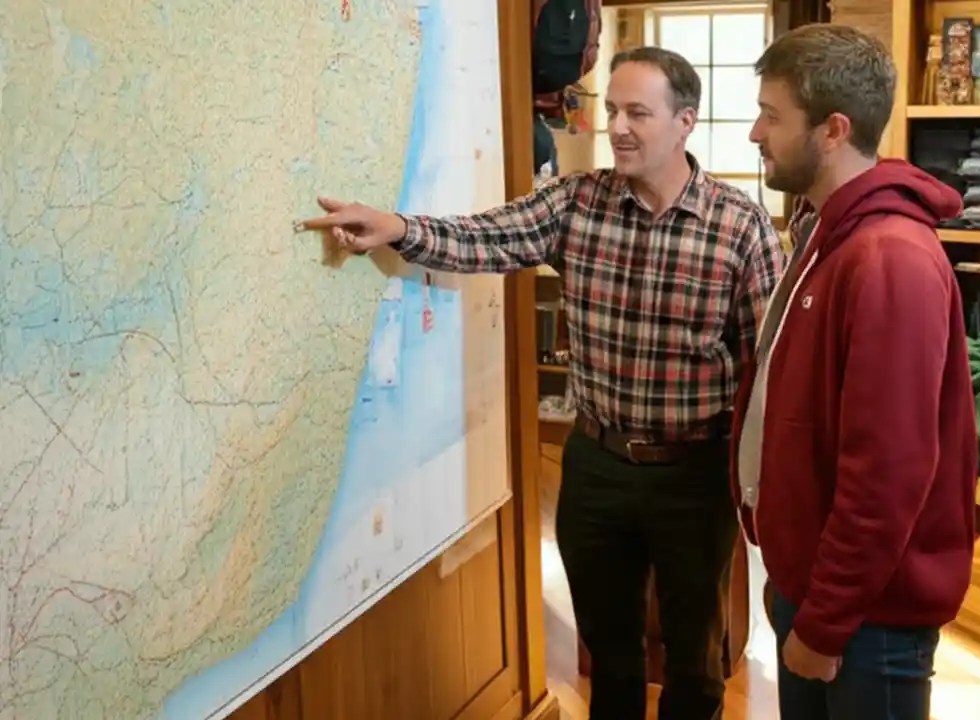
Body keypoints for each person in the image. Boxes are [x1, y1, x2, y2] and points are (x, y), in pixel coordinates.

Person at [298, 46, 786, 720]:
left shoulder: (741, 225)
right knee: (609, 655)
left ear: (685, 122)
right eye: (612, 109)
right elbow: (487, 238)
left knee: (695, 664)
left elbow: (772, 366)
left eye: (638, 112)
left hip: (695, 476)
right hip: (595, 470)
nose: (617, 126)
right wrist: (397, 228)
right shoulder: (576, 202)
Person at [729, 24, 977, 719]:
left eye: (772, 115)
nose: (755, 132)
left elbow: (888, 470)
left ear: (833, 129)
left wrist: (827, 619)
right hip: (816, 589)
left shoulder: (889, 257)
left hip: (868, 619)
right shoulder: (824, 232)